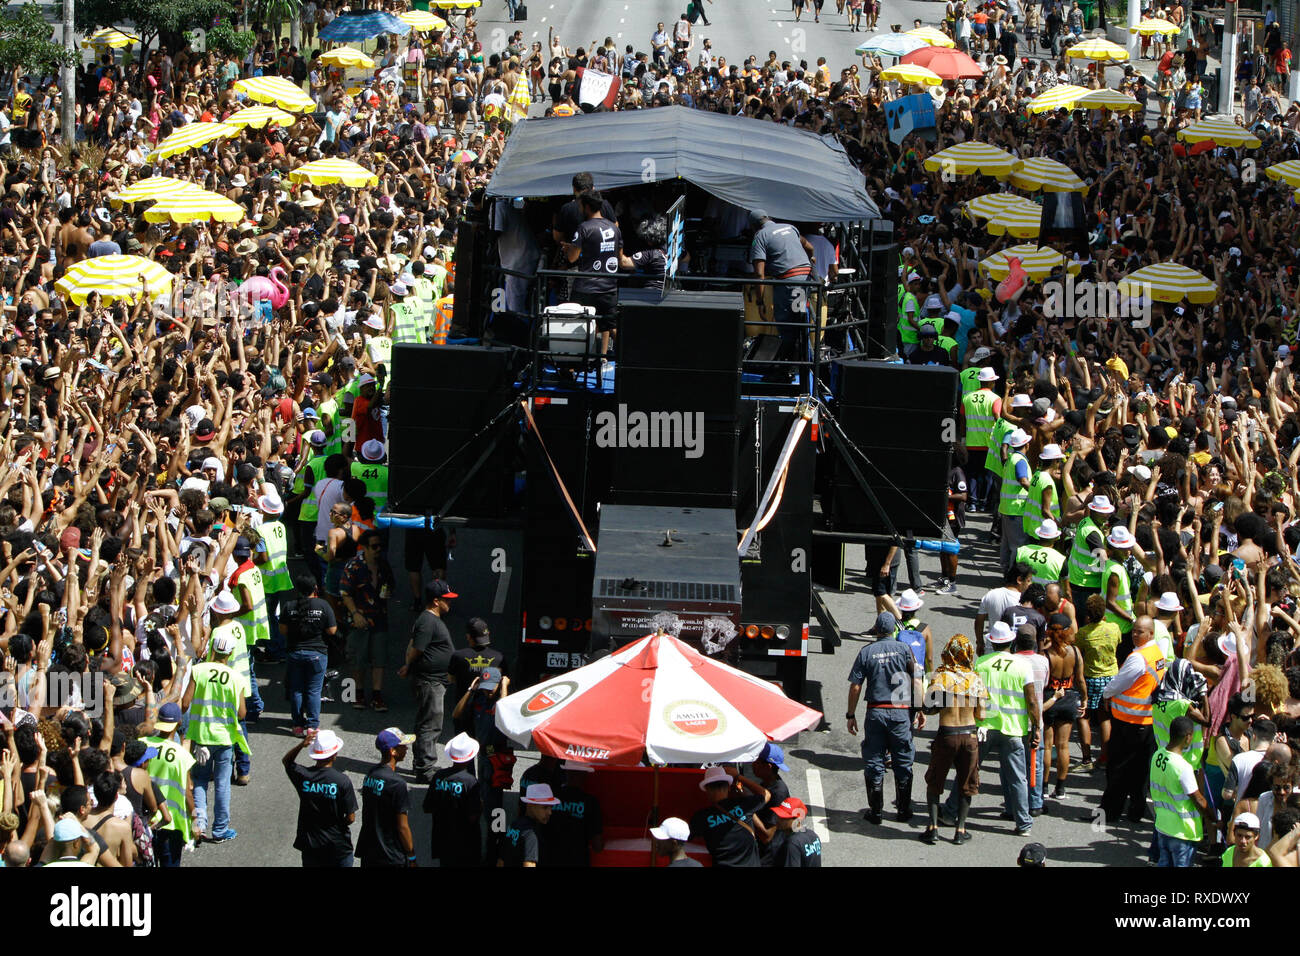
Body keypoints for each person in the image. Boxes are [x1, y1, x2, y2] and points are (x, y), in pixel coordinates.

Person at [846, 611, 925, 825]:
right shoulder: (905, 649)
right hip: (900, 712)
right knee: (903, 760)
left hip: (876, 712)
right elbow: (917, 680)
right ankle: (903, 810)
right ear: (893, 630)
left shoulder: (866, 652)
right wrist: (919, 708)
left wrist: (850, 714)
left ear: (877, 629)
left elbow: (856, 686)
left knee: (874, 760)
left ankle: (876, 812)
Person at [183, 627, 249, 844]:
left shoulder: (198, 670)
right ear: (230, 653)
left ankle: (199, 824)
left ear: (212, 647)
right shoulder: (235, 678)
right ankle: (220, 830)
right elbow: (242, 713)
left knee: (200, 780)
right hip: (224, 739)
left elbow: (185, 702)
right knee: (222, 784)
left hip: (200, 737)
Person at [921, 634, 988, 845]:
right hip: (969, 735)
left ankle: (932, 828)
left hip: (947, 734)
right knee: (966, 783)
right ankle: (961, 829)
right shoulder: (976, 679)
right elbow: (982, 715)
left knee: (935, 781)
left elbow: (929, 707)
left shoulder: (941, 677)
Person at [1101, 616, 1167, 826]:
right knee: (1139, 771)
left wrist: (1106, 694)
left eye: (1140, 632)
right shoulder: (1156, 652)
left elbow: (1117, 684)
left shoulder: (1138, 658)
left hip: (1129, 721)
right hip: (1146, 721)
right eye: (1134, 631)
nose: (1135, 634)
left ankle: (1110, 811)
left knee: (1117, 768)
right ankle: (1136, 811)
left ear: (1150, 633)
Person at [400, 580, 458, 783]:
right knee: (430, 724)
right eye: (446, 600)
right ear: (435, 601)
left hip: (434, 680)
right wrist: (409, 664)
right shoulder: (427, 621)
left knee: (427, 721)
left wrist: (408, 664)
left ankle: (421, 763)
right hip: (430, 681)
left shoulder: (431, 620)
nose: (449, 604)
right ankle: (425, 769)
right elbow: (417, 647)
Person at [339, 528, 396, 713]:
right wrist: (355, 613)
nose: (378, 549)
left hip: (379, 617)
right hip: (360, 620)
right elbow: (345, 593)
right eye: (374, 546)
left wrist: (388, 593)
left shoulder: (384, 565)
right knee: (358, 657)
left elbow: (391, 585)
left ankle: (377, 695)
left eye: (381, 546)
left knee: (379, 657)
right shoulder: (354, 566)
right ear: (365, 547)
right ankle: (359, 692)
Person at [282, 729, 357, 867]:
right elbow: (351, 818)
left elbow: (287, 761)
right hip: (338, 846)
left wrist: (301, 745)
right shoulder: (342, 781)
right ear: (334, 755)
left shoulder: (304, 776)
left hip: (311, 845)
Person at [749, 209, 815, 361]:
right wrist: (812, 258)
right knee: (801, 320)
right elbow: (809, 247)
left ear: (753, 226)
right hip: (805, 278)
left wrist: (760, 302)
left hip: (789, 283)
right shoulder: (790, 227)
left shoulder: (760, 236)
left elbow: (759, 274)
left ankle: (787, 364)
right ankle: (805, 360)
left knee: (787, 326)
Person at [1149, 715, 1212, 867]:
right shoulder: (1183, 767)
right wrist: (1214, 819)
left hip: (1162, 825)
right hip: (1182, 831)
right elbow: (1198, 800)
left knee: (1164, 863)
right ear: (1188, 737)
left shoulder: (1158, 755)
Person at [280, 573, 338, 736]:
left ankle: (297, 725)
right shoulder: (323, 605)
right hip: (317, 654)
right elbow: (332, 630)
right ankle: (312, 726)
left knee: (296, 689)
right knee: (314, 690)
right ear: (316, 588)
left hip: (294, 653)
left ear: (297, 590)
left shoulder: (289, 606)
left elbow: (283, 630)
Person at [689, 764, 771, 867]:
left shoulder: (701, 817)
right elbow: (766, 794)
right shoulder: (743, 804)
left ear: (707, 789)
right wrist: (738, 777)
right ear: (728, 787)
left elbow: (684, 839)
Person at [356, 728, 416, 868]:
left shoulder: (370, 774)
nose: (406, 749)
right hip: (391, 856)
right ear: (392, 751)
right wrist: (411, 855)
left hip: (369, 852)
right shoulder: (397, 784)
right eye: (402, 746)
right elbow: (402, 826)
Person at [424, 731, 484, 867]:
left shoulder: (439, 776)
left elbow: (427, 807)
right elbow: (472, 817)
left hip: (443, 838)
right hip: (465, 842)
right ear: (470, 758)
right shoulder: (471, 782)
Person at [547, 761, 604, 866]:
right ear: (585, 775)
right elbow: (598, 846)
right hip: (578, 860)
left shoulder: (551, 797)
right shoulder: (591, 802)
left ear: (567, 772)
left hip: (551, 859)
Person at [499, 783, 561, 867]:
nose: (550, 812)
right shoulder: (531, 835)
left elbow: (501, 860)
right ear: (530, 805)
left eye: (551, 807)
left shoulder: (514, 825)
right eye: (545, 807)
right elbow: (529, 864)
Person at [766, 797, 823, 866]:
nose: (778, 820)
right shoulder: (813, 836)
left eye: (784, 818)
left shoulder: (792, 843)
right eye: (779, 816)